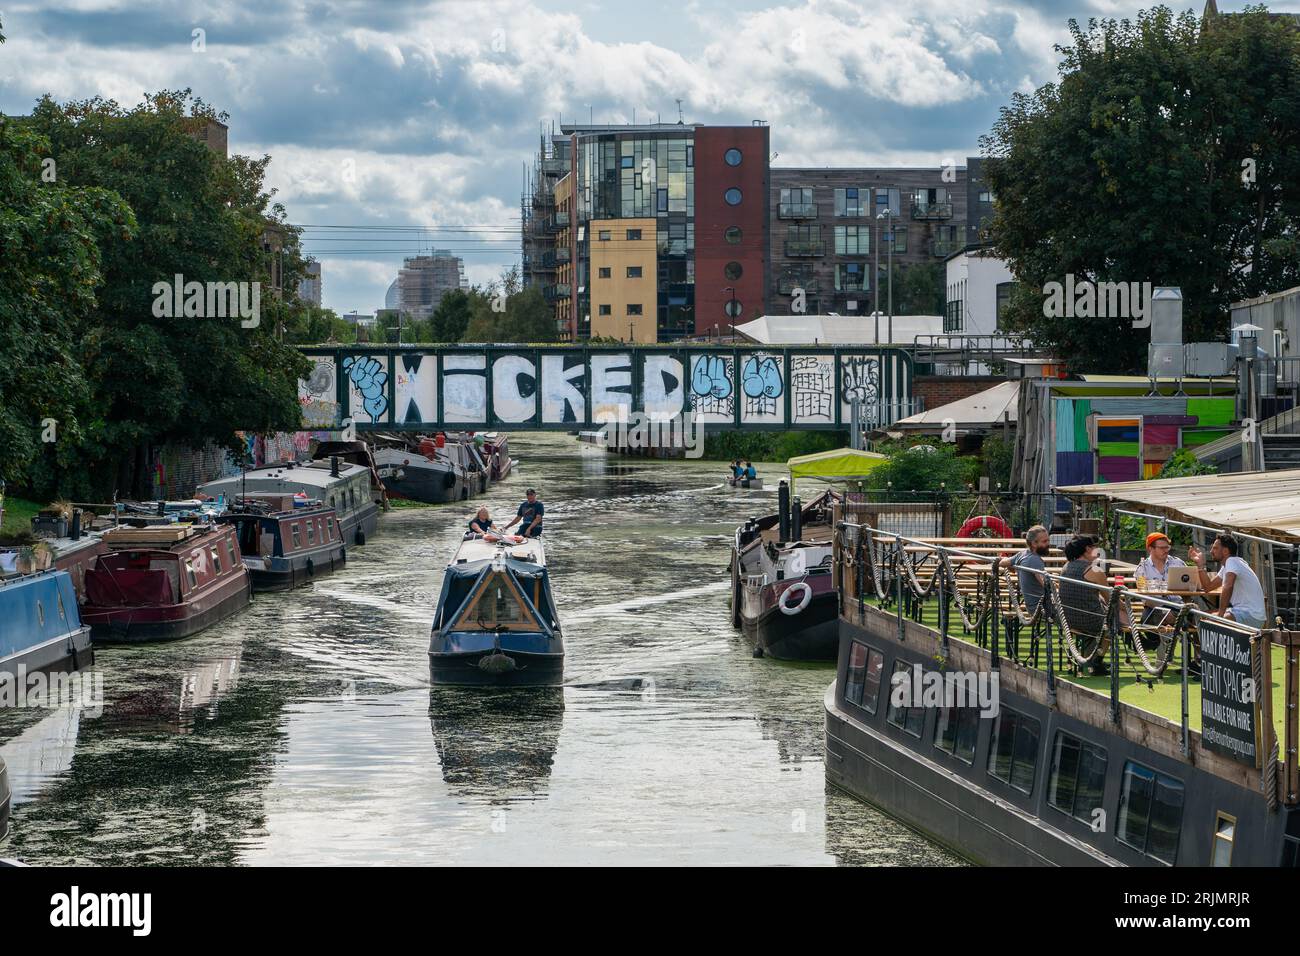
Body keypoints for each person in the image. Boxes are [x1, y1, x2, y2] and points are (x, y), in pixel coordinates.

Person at [1058, 535, 1111, 675]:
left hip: (1067, 619)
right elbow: (1112, 600)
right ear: (1088, 549)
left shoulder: (1066, 567)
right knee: (1112, 625)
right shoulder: (1094, 570)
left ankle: (1091, 659)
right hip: (1090, 620)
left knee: (1104, 611)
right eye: (1094, 547)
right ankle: (1096, 662)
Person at [1190, 533, 1267, 629]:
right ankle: (1201, 644)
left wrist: (1220, 615)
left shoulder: (1232, 562)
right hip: (1244, 613)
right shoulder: (1228, 565)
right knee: (1199, 617)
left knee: (1208, 622)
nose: (1211, 551)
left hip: (1251, 615)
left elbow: (1228, 586)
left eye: (1215, 548)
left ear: (1225, 551)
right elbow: (1208, 587)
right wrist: (1200, 565)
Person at [1002, 525, 1050, 617]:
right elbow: (1046, 585)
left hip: (1032, 607)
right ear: (1034, 544)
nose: (1048, 544)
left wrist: (1010, 567)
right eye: (1044, 541)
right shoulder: (1035, 560)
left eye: (1048, 540)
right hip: (1042, 609)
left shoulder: (1022, 554)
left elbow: (1003, 562)